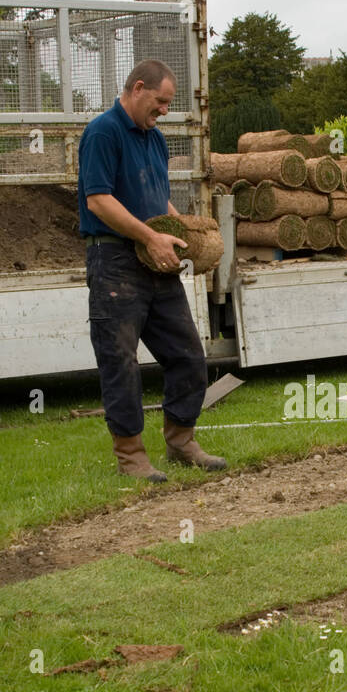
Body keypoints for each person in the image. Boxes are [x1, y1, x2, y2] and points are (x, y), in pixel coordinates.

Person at [78, 59, 225, 483]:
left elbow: (159, 201)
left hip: (155, 259)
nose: (164, 111)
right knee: (119, 360)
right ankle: (131, 457)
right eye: (160, 102)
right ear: (137, 88)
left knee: (188, 354)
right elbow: (99, 201)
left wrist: (185, 233)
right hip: (115, 263)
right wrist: (150, 238)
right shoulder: (103, 132)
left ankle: (181, 441)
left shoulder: (155, 140)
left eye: (168, 105)